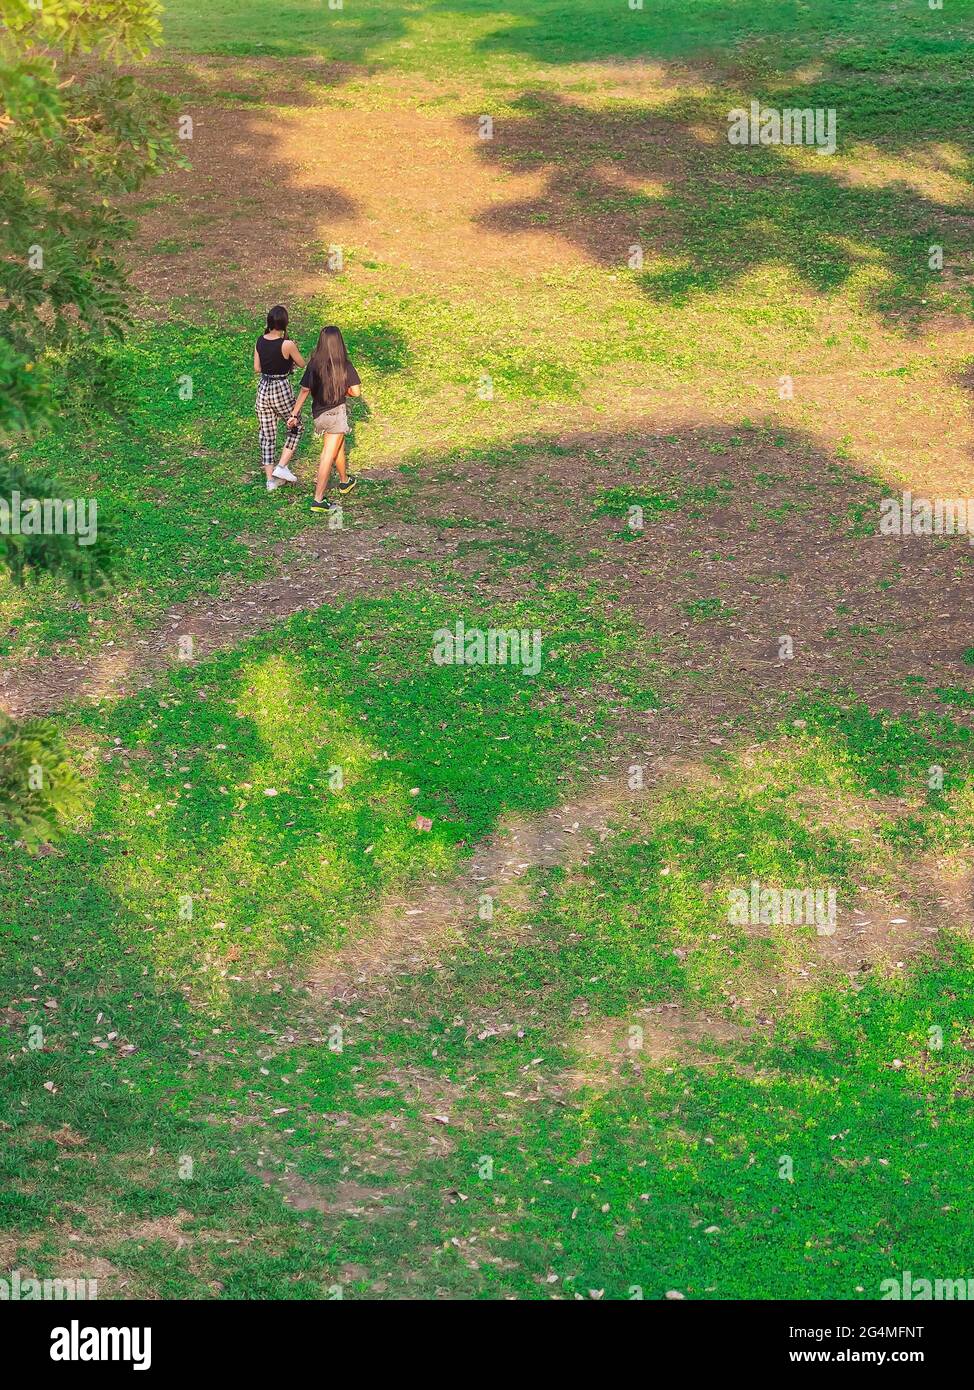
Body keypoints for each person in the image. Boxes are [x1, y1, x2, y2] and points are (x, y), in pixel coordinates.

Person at [286, 326, 361, 513]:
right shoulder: (344, 364)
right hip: (336, 414)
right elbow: (356, 391)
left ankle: (344, 481)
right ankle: (318, 499)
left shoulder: (314, 364)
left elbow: (305, 390)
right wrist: (343, 390)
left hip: (319, 415)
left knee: (338, 446)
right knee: (328, 454)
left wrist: (294, 414)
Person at [254, 305, 305, 492]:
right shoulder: (287, 344)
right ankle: (281, 467)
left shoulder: (260, 341)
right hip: (280, 388)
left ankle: (270, 481)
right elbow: (301, 362)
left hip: (263, 388)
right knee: (297, 425)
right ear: (284, 323)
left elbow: (257, 368)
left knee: (267, 435)